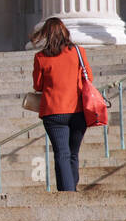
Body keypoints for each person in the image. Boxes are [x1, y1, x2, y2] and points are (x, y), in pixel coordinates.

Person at [31, 17, 93, 193]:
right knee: (73, 154)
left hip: (53, 112)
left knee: (62, 154)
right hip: (78, 110)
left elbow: (37, 85)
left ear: (46, 35)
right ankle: (70, 188)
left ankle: (67, 194)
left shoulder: (41, 57)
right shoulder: (78, 52)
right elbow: (88, 77)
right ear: (66, 32)